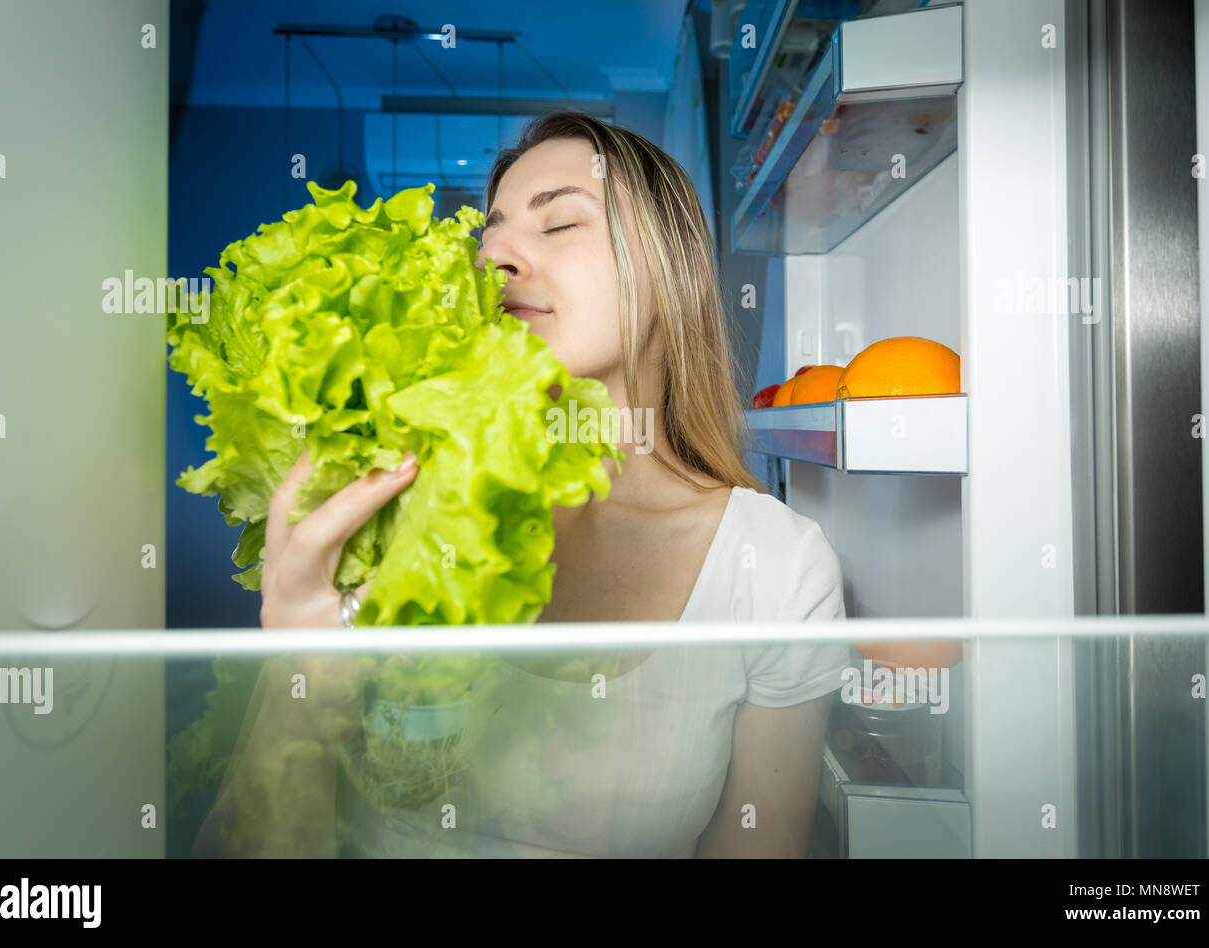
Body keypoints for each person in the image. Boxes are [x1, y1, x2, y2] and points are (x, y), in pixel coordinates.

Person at [196, 111, 851, 859]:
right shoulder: (390, 506)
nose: (495, 253)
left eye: (560, 224)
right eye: (491, 230)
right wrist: (299, 673)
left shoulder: (775, 567)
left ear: (680, 273)